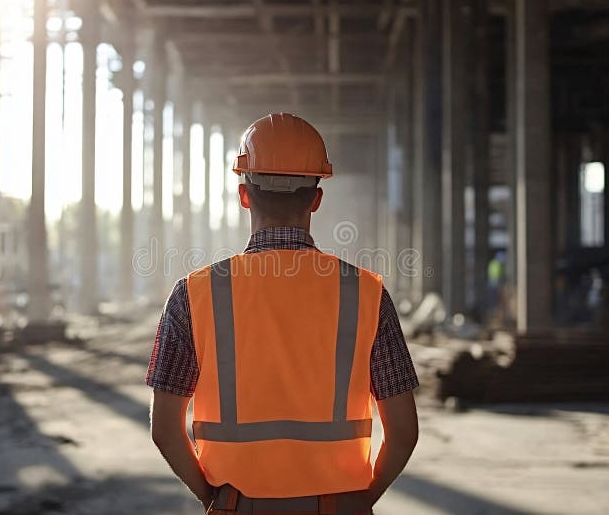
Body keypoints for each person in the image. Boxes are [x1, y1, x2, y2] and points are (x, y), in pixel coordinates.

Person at [147, 113, 419, 515]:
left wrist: (217, 501)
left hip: (236, 505)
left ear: (243, 195)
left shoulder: (193, 294)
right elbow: (404, 433)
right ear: (316, 198)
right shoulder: (367, 293)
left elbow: (165, 430)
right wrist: (357, 503)